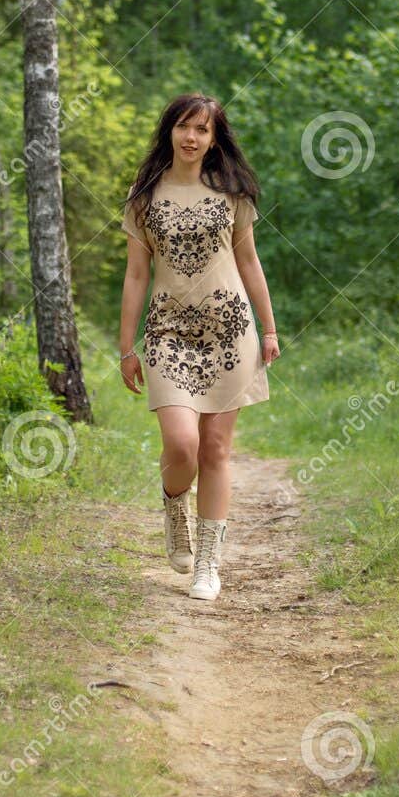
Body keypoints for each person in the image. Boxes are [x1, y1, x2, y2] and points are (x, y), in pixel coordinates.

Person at [118, 93, 280, 601]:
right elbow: (137, 273)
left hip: (230, 331)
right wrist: (127, 347)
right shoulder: (145, 195)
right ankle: (173, 504)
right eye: (184, 127)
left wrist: (269, 328)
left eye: (202, 130)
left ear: (214, 140)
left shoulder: (232, 192)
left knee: (215, 449)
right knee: (182, 445)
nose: (192, 137)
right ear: (170, 131)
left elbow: (249, 262)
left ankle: (208, 564)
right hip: (167, 333)